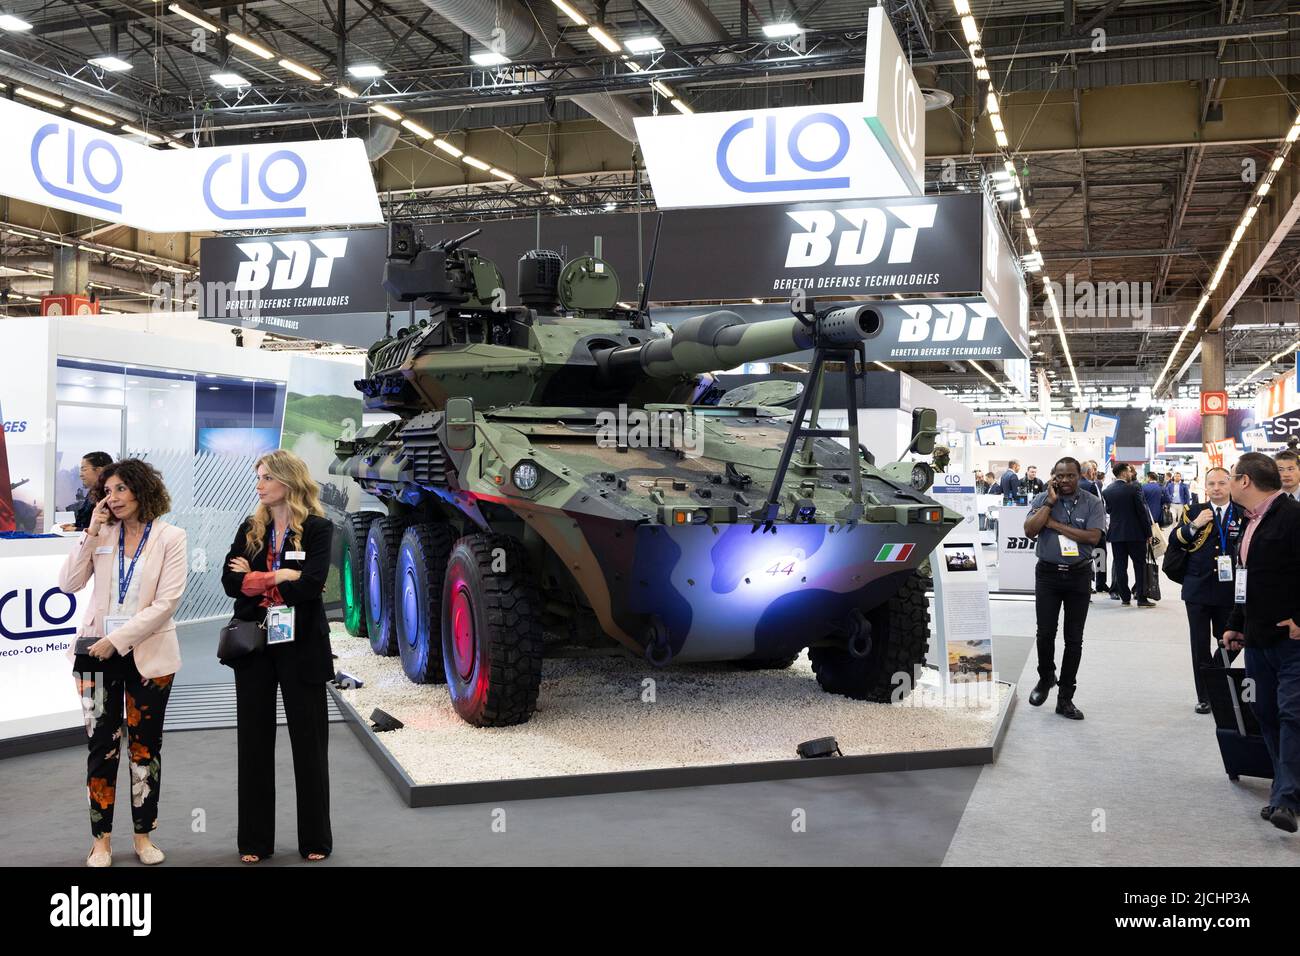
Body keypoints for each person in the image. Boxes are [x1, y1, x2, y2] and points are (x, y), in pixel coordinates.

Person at [58, 459, 187, 867]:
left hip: (149, 656)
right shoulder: (101, 534)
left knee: (145, 749)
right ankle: (101, 841)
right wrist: (89, 532)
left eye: (120, 490)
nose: (112, 498)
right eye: (107, 491)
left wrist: (119, 639)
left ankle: (143, 837)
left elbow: (167, 603)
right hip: (96, 656)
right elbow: (68, 584)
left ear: (141, 490)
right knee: (102, 748)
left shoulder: (171, 537)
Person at [222, 450, 336, 863]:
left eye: (266, 477)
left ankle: (316, 841)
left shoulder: (320, 529)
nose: (259, 484)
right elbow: (229, 583)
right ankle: (254, 842)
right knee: (253, 743)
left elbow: (312, 585)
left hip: (302, 646)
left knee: (309, 744)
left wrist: (259, 582)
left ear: (288, 481)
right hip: (253, 646)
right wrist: (279, 577)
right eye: (259, 477)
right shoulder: (250, 529)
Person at [1222, 453, 1300, 833]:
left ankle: (1286, 799)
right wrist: (1237, 624)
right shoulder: (1248, 521)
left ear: (1246, 482)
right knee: (1265, 712)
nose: (1230, 482)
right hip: (1256, 638)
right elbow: (1245, 578)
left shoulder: (1293, 517)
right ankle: (1282, 791)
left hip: (1290, 640)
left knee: (1292, 714)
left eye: (1233, 477)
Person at [1023, 457, 1108, 720]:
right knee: (1045, 633)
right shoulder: (1042, 499)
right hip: (1047, 575)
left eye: (1070, 476)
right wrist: (1049, 503)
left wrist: (1057, 525)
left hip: (1078, 576)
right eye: (1060, 476)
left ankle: (1065, 697)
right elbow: (1030, 530)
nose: (1065, 481)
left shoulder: (1092, 502)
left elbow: (1093, 536)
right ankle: (1046, 677)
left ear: (1079, 476)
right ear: (1054, 477)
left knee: (1074, 639)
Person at [1172, 467, 1243, 714]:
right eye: (1211, 483)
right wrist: (1194, 526)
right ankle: (1205, 695)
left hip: (1230, 590)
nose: (1216, 488)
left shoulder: (1241, 512)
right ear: (1205, 486)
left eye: (1222, 483)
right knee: (1199, 643)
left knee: (1232, 640)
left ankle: (1213, 675)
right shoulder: (1193, 511)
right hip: (1198, 588)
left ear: (1231, 484)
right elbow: (1175, 540)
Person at [1103, 462, 1156, 608]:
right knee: (1139, 566)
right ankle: (1141, 598)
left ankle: (1125, 598)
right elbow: (1141, 512)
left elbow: (1108, 510)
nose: (1130, 473)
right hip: (1135, 534)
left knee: (1120, 566)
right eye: (1128, 471)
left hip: (1116, 534)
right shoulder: (1133, 489)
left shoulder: (1107, 491)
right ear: (1123, 473)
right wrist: (1148, 532)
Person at [61, 452, 113, 532]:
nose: (81, 475)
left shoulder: (108, 495)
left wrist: (76, 529)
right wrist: (75, 525)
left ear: (99, 471)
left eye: (84, 470)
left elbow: (106, 529)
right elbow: (88, 522)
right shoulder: (92, 493)